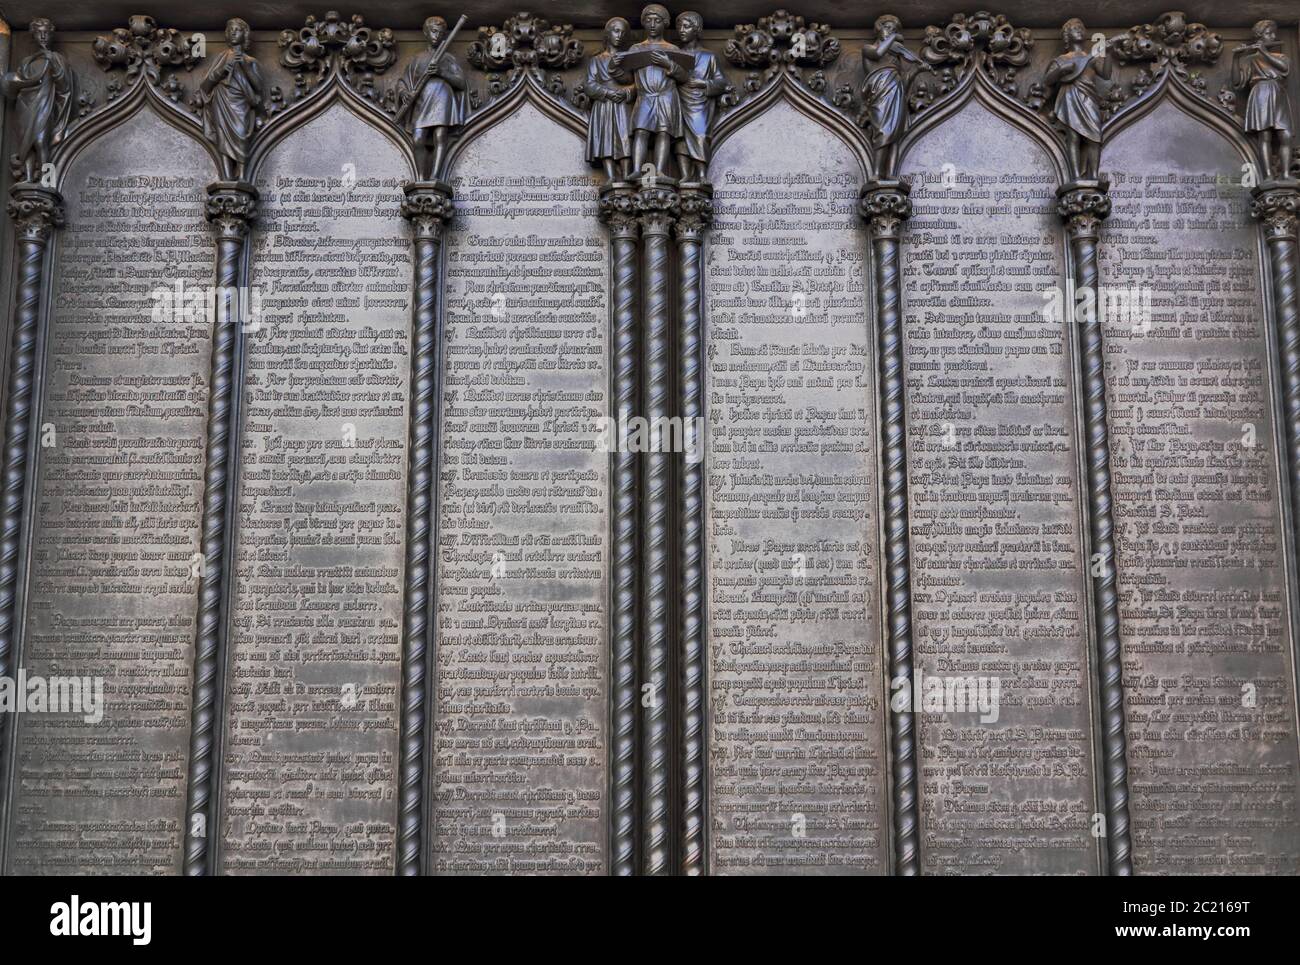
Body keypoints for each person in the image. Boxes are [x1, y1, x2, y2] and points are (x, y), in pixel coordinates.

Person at [617, 4, 686, 180]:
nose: (653, 24)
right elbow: (626, 78)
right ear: (643, 23)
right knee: (641, 131)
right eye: (648, 20)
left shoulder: (672, 50)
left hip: (666, 96)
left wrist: (668, 64)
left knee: (664, 132)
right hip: (645, 96)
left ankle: (661, 171)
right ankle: (638, 169)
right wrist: (613, 70)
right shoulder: (636, 49)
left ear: (665, 23)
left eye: (657, 20)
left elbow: (684, 77)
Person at [2, 18, 73, 185]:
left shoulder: (55, 58)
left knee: (41, 142)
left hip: (44, 104)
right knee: (28, 143)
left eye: (46, 33)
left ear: (51, 35)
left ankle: (47, 180)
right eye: (39, 33)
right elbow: (18, 82)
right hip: (25, 105)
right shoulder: (27, 61)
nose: (42, 36)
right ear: (33, 35)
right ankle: (28, 177)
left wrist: (54, 64)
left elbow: (64, 86)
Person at [397, 16, 467, 182]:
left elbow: (461, 83)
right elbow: (403, 81)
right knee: (418, 138)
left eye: (441, 33)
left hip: (443, 97)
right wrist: (403, 93)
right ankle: (421, 177)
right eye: (434, 32)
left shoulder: (448, 58)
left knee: (440, 136)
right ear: (426, 33)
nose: (437, 36)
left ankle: (435, 176)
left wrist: (441, 72)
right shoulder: (417, 58)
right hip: (422, 99)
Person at [860, 15, 929, 179]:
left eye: (894, 30)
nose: (891, 32)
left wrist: (918, 69)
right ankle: (877, 173)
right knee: (884, 131)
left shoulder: (895, 59)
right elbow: (877, 53)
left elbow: (903, 81)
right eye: (888, 28)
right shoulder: (868, 48)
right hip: (879, 93)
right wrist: (893, 38)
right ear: (879, 29)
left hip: (896, 92)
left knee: (896, 135)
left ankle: (891, 174)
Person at [1044, 18, 1111, 182]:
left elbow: (1106, 75)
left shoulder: (1092, 58)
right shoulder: (1061, 59)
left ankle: (1093, 176)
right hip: (1069, 96)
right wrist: (1061, 70)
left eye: (1081, 28)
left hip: (1089, 98)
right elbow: (1048, 80)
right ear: (1067, 36)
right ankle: (1075, 176)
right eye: (1074, 29)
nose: (1079, 30)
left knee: (1094, 137)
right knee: (1073, 137)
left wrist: (1108, 54)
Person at [197, 18, 262, 182]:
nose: (233, 32)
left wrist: (245, 67)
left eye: (238, 29)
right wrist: (221, 71)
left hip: (241, 102)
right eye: (231, 29)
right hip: (222, 99)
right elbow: (206, 84)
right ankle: (226, 176)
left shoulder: (250, 61)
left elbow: (258, 86)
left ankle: (241, 175)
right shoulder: (221, 58)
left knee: (240, 134)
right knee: (223, 137)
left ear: (245, 34)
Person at [1234, 20, 1293, 180]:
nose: (1273, 36)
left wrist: (1264, 53)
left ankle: (1286, 174)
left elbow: (1284, 69)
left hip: (1278, 94)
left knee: (1286, 135)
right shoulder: (1250, 59)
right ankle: (1268, 175)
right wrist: (1236, 58)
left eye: (1274, 33)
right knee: (1264, 135)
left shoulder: (1282, 57)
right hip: (1260, 93)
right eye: (1269, 33)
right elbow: (1238, 83)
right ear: (1260, 37)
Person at [674, 11, 727, 183]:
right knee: (679, 137)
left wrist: (703, 84)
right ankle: (685, 175)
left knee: (700, 135)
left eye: (687, 26)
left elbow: (721, 82)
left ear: (697, 30)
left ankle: (702, 174)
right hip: (679, 100)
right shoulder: (676, 56)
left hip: (699, 103)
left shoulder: (709, 57)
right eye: (679, 26)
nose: (682, 30)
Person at [584, 18, 635, 181]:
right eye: (615, 30)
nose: (619, 35)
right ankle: (611, 175)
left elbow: (639, 84)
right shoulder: (597, 60)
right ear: (607, 33)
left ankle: (627, 173)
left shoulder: (629, 60)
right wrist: (607, 93)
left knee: (625, 137)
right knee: (605, 137)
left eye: (622, 32)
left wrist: (627, 92)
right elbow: (589, 85)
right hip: (604, 105)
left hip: (623, 104)